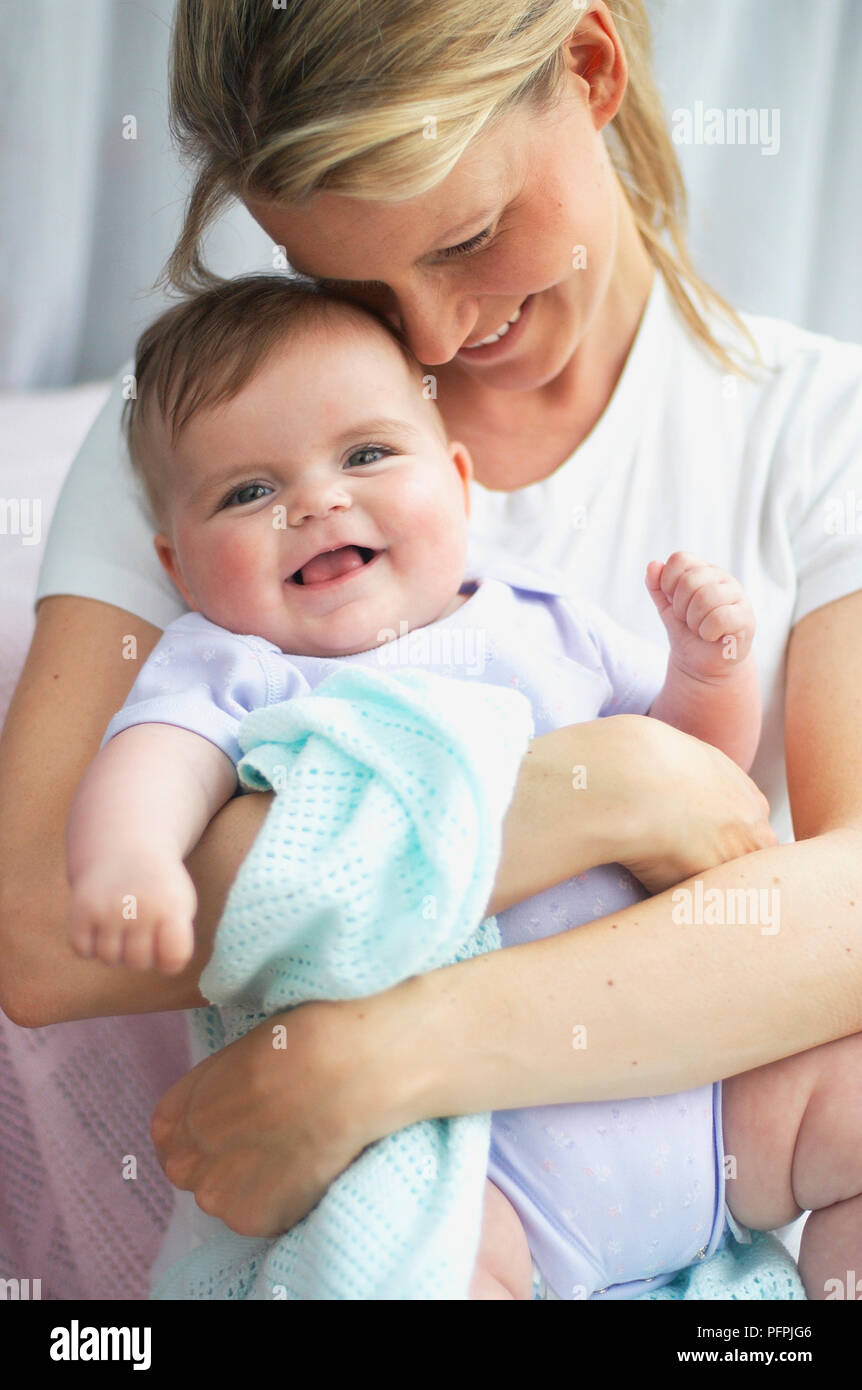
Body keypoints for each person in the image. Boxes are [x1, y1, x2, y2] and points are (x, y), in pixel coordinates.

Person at [1, 0, 860, 1297]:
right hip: (438, 1199)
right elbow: (44, 929)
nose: (438, 334)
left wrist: (375, 1060)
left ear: (588, 66)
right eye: (349, 275)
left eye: (465, 236)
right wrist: (593, 796)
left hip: (697, 1175)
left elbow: (848, 911)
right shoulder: (215, 433)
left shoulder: (819, 431)